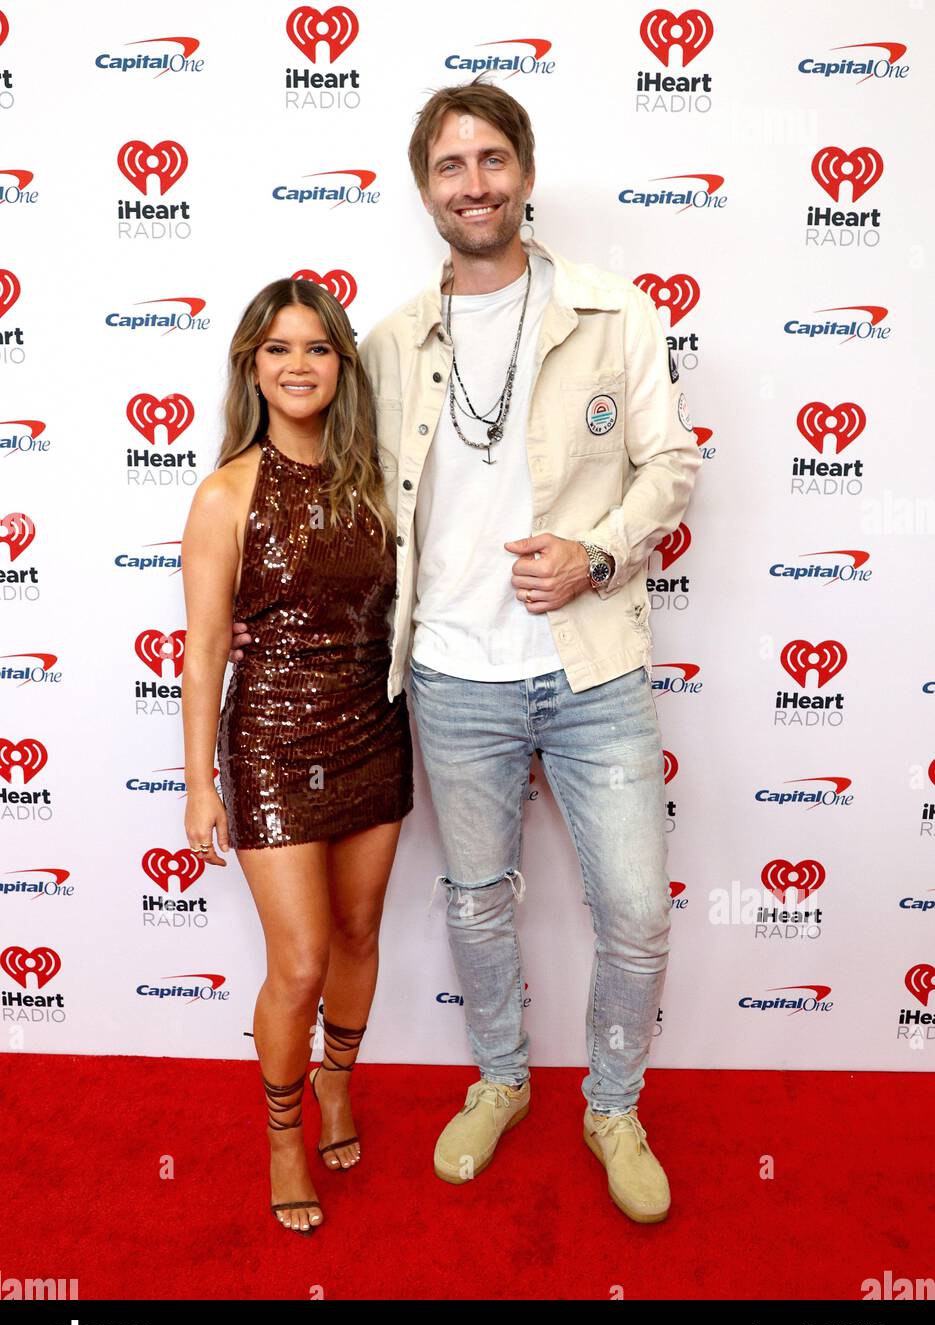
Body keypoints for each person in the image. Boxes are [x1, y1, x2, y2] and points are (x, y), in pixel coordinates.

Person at [230, 78, 702, 1223]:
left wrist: (593, 551)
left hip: (590, 666)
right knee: (478, 898)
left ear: (524, 174)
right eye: (451, 166)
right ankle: (498, 1078)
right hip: (447, 675)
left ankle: (611, 1102)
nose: (473, 183)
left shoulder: (612, 310)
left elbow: (672, 467)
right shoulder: (389, 342)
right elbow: (331, 473)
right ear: (425, 188)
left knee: (634, 908)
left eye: (491, 160)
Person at [182, 277, 413, 1235]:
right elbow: (199, 651)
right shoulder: (225, 491)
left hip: (373, 731)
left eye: (316, 347)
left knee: (360, 938)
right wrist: (201, 783)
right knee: (303, 959)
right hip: (273, 741)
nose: (297, 365)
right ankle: (283, 1137)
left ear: (342, 364)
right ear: (252, 366)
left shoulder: (380, 478)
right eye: (277, 349)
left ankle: (338, 1085)